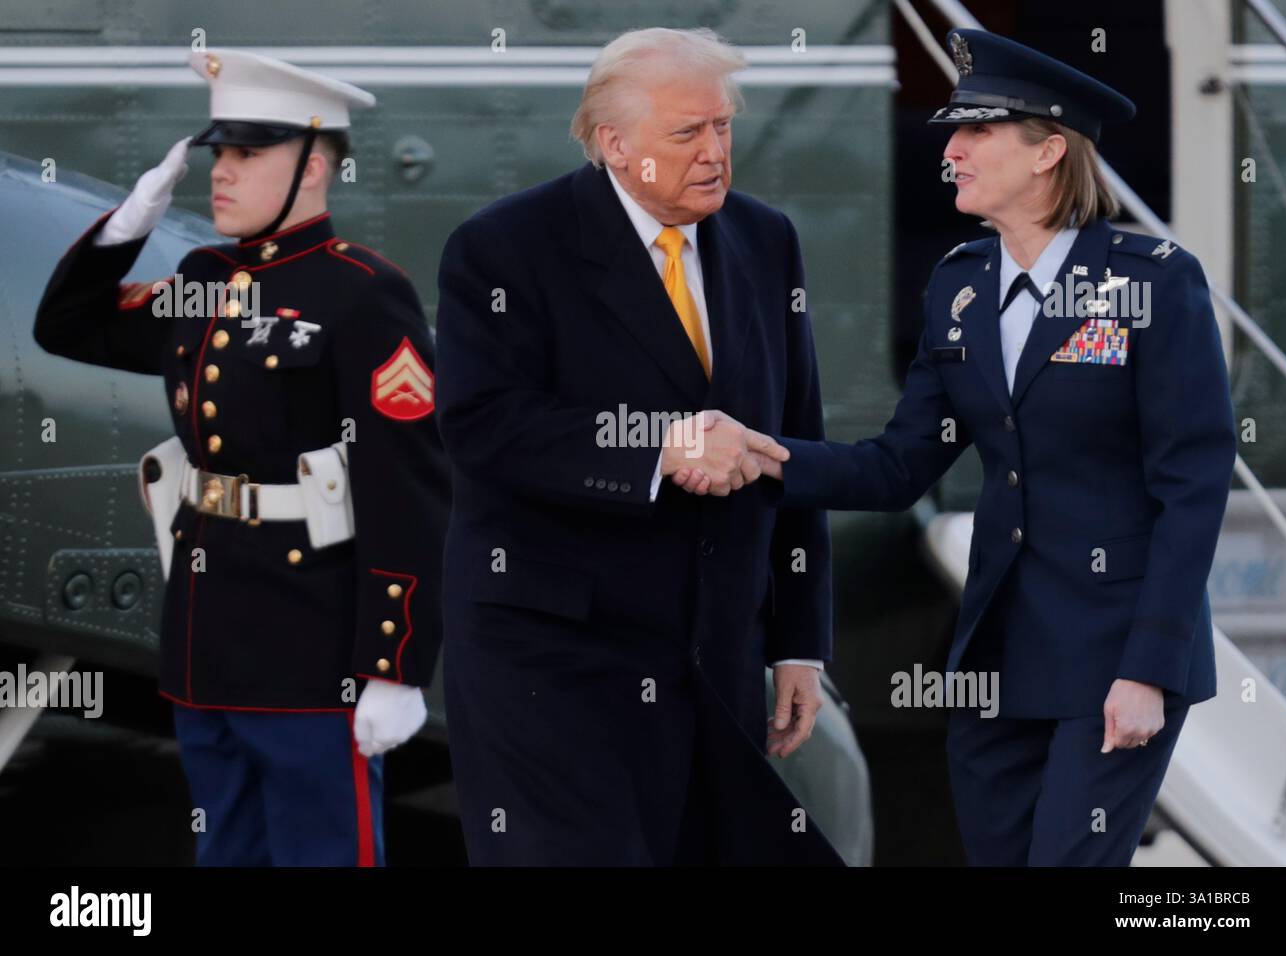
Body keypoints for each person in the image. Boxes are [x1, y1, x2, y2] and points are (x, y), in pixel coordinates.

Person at [678, 29, 1237, 865]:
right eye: (954, 129)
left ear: (1049, 150)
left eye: (978, 132)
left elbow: (1193, 484)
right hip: (998, 657)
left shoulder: (1152, 281)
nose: (954, 148)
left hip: (1115, 654)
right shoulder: (961, 284)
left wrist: (1150, 669)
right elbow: (899, 464)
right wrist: (761, 454)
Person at [434, 27, 842, 865]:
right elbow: (484, 425)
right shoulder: (506, 248)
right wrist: (660, 447)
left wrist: (799, 641)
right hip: (556, 664)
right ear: (614, 145)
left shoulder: (768, 244)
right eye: (686, 134)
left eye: (722, 127)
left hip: (714, 662)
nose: (714, 153)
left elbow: (793, 441)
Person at [33, 49, 450, 866]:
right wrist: (126, 229)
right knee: (228, 848)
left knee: (323, 851)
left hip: (311, 646)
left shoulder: (362, 295)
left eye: (247, 154)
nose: (220, 173)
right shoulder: (203, 277)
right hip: (205, 633)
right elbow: (69, 327)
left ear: (315, 167)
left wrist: (394, 666)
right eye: (218, 152)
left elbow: (408, 488)